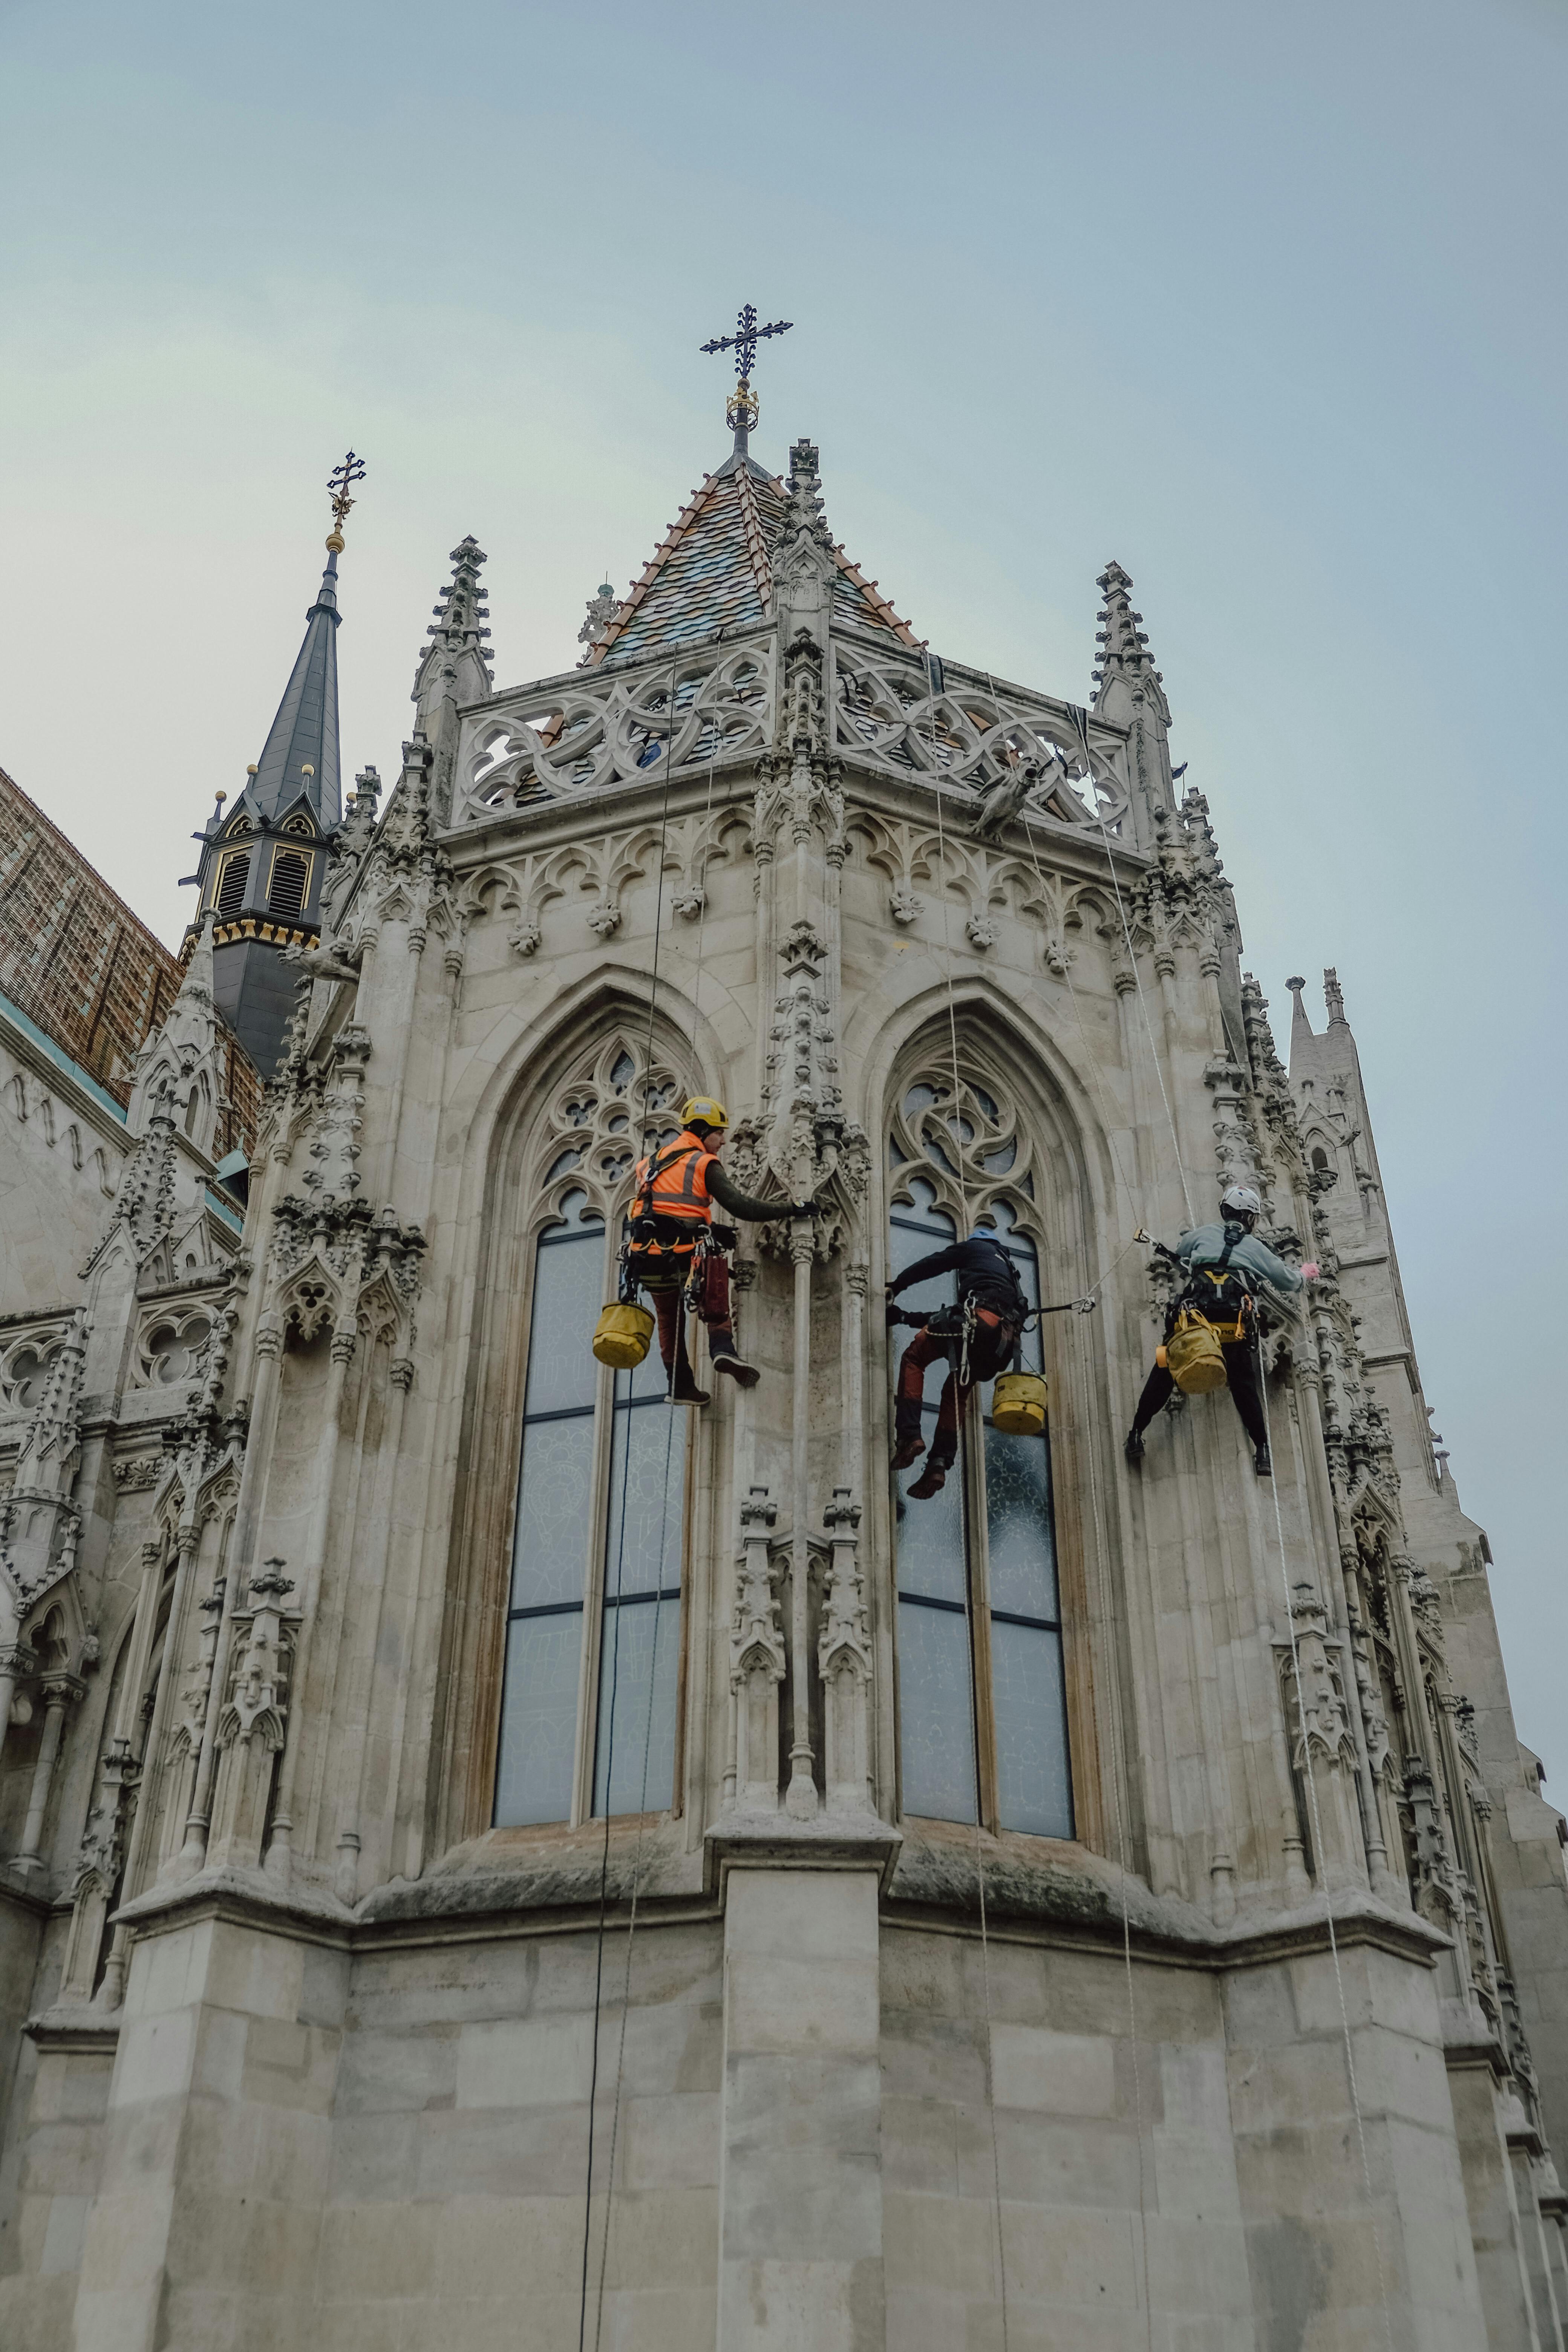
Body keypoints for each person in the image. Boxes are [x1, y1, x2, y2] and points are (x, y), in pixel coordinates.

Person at [628, 1096, 820, 1405]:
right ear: (703, 1131)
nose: (724, 1140)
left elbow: (661, 1209)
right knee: (714, 1281)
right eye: (719, 1133)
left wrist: (708, 1226)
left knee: (668, 1319)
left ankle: (679, 1386)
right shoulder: (703, 1163)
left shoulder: (648, 1165)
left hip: (645, 1259)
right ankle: (722, 1349)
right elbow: (741, 1206)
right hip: (683, 1254)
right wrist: (792, 1208)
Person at [1125, 1185, 1318, 1477]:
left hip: (1190, 1324)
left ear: (1225, 1211)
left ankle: (1137, 1433)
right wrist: (1304, 1273)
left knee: (1162, 1366)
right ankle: (1262, 1450)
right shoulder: (1255, 1248)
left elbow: (1182, 1252)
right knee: (1244, 1385)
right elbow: (1288, 1282)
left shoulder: (1202, 1234)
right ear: (1250, 1218)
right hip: (1233, 1329)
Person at [886, 1224, 1028, 1500]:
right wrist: (904, 1317)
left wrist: (898, 1284)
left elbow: (934, 1264)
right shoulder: (1011, 1273)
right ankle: (939, 1463)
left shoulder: (975, 1248)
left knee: (914, 1357)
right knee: (956, 1393)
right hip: (1000, 1345)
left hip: (978, 1324)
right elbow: (951, 1320)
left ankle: (909, 1435)